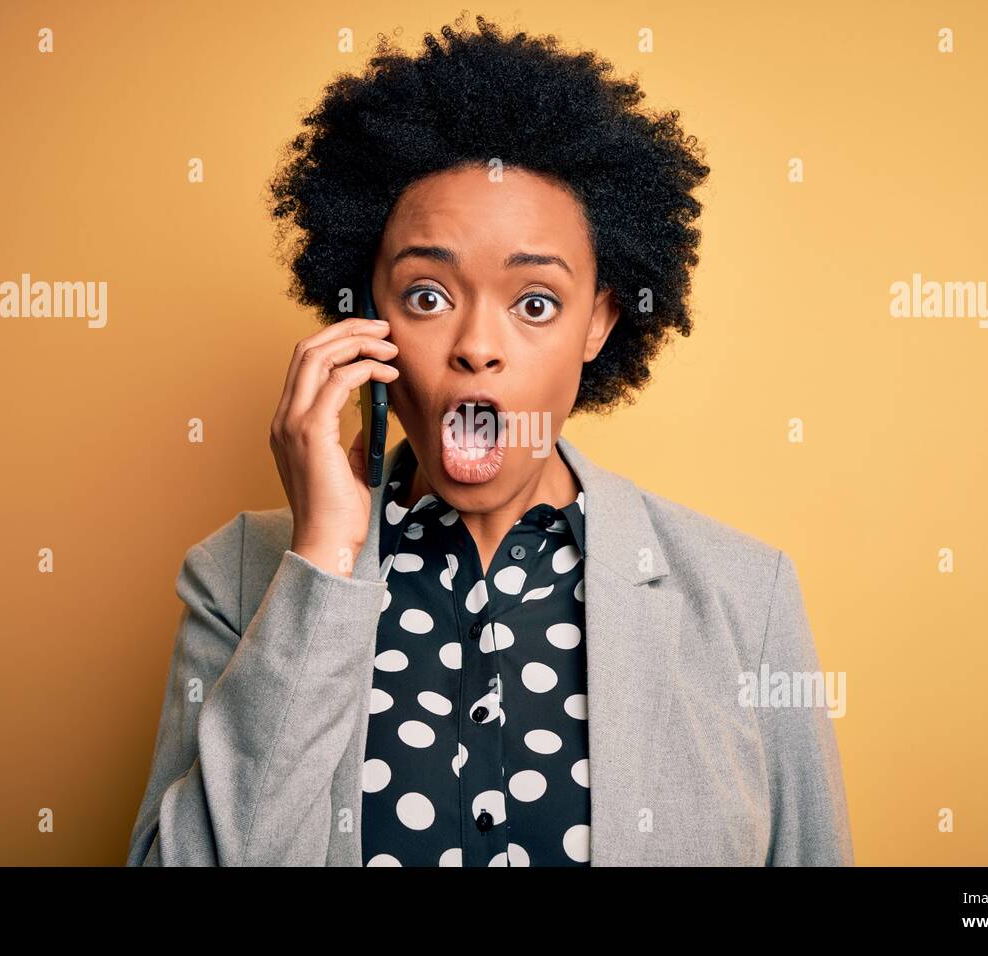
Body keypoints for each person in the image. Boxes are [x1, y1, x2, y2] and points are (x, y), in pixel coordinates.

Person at [126, 13, 854, 866]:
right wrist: (323, 558)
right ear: (366, 316)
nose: (477, 345)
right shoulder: (238, 578)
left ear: (600, 322)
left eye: (535, 302)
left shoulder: (745, 597)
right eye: (427, 296)